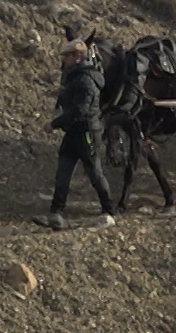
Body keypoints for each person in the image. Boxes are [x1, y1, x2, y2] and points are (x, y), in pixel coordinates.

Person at [36, 40, 116, 229]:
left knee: (95, 173)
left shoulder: (86, 80)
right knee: (62, 173)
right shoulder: (75, 77)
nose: (64, 60)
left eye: (67, 56)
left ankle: (109, 210)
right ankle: (55, 213)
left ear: (78, 57)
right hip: (73, 132)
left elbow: (80, 110)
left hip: (86, 133)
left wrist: (54, 124)